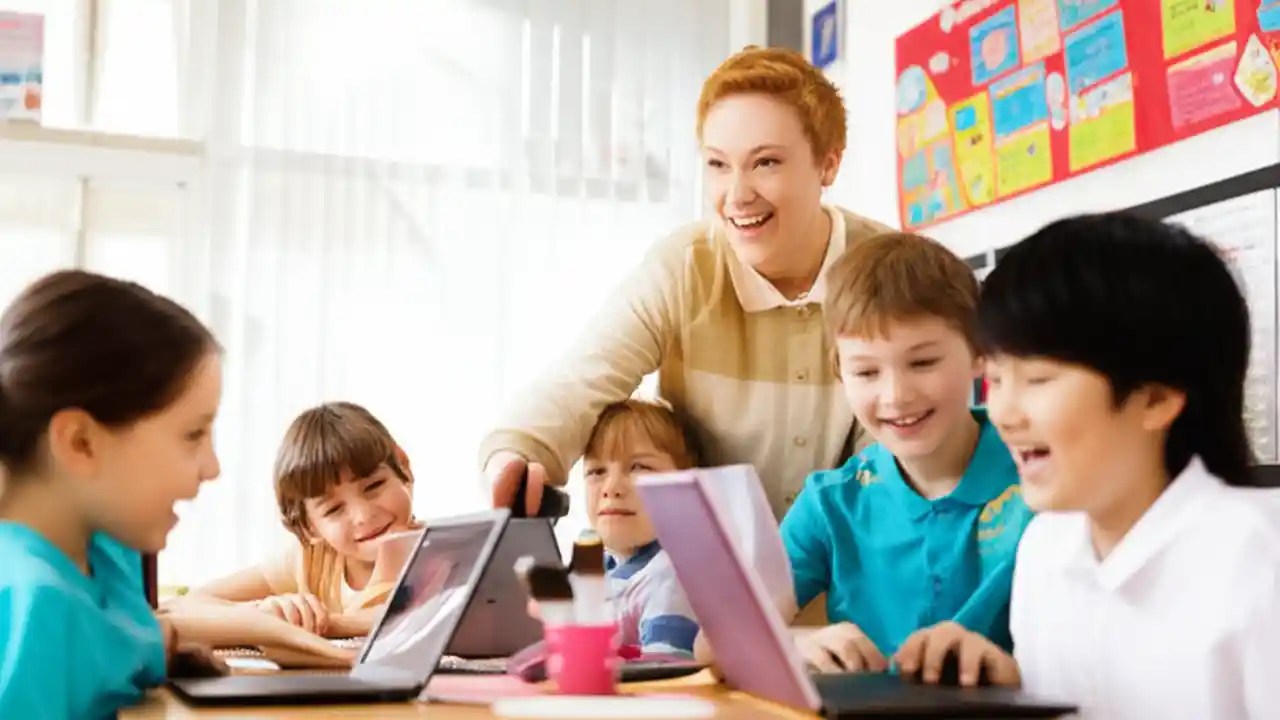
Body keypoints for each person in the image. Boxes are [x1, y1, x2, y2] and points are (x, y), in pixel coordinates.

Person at [481, 46, 892, 524]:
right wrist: (516, 452)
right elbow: (583, 378)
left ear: (828, 164)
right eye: (718, 165)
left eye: (766, 163)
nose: (737, 195)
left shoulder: (887, 272)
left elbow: (902, 462)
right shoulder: (684, 266)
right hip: (702, 579)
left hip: (850, 577)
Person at [904, 213, 1280, 718]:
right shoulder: (1046, 547)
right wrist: (1005, 686)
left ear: (1155, 398)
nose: (1004, 414)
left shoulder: (1258, 563)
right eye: (995, 379)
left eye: (1037, 379)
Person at [773, 232, 1032, 673]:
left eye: (923, 362)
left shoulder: (1042, 473)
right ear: (841, 374)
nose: (895, 395)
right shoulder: (831, 501)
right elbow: (716, 640)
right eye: (867, 371)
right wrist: (794, 645)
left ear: (979, 354)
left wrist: (1011, 672)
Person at [0, 270, 223, 717]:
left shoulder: (102, 556)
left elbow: (129, 641)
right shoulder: (34, 604)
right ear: (80, 442)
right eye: (193, 435)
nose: (212, 468)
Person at [175, 402, 420, 637]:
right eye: (334, 509)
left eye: (375, 485)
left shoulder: (443, 553)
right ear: (308, 526)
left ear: (403, 467)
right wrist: (266, 614)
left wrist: (332, 624)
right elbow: (191, 604)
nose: (363, 515)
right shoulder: (311, 561)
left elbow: (419, 620)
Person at [582, 400, 701, 657]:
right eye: (597, 471)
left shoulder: (671, 574)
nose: (611, 487)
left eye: (638, 467)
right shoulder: (597, 567)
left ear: (686, 486)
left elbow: (665, 674)